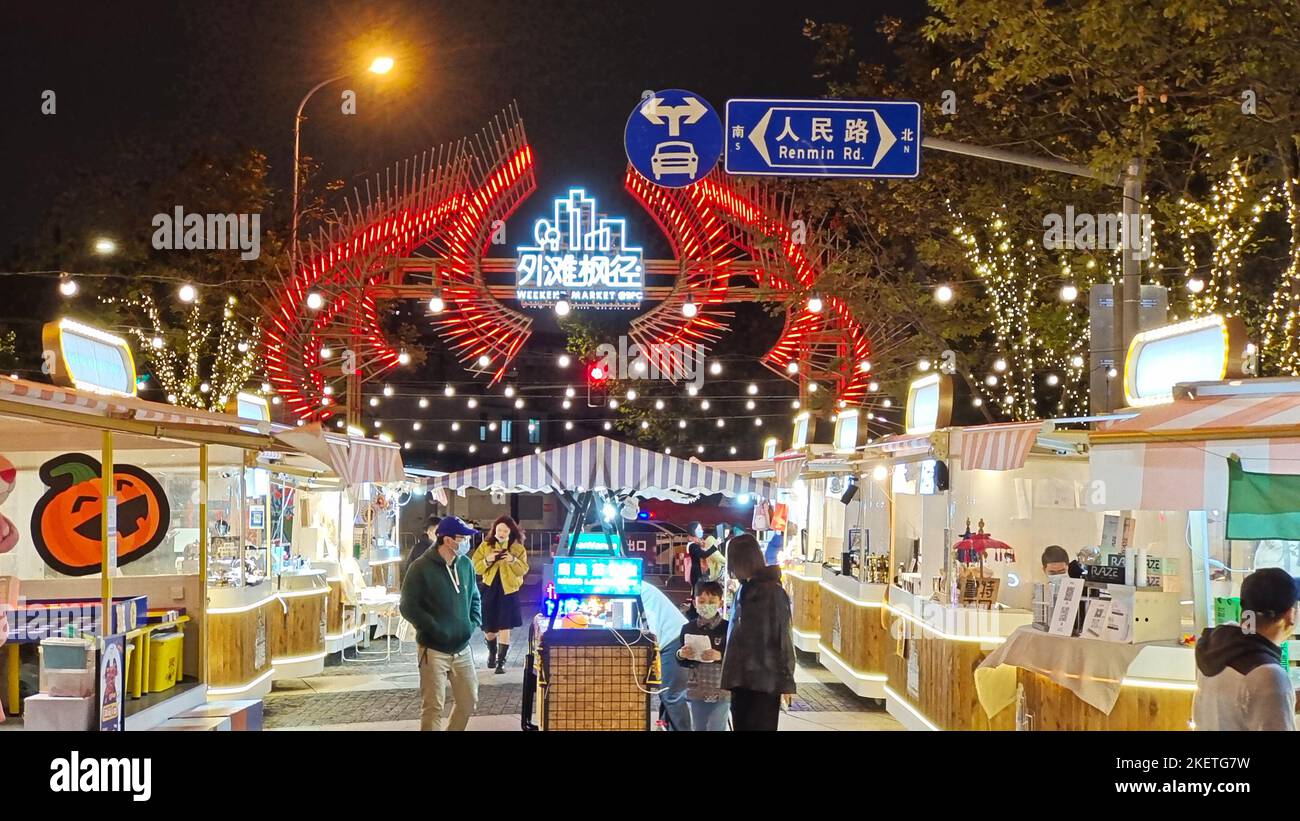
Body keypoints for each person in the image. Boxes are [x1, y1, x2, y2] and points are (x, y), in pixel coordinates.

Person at [399, 516, 481, 731]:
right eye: (462, 538)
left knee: (469, 700)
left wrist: (472, 623)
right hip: (433, 649)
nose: (466, 543)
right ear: (447, 540)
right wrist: (434, 628)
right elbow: (408, 606)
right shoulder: (420, 568)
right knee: (433, 706)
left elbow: (474, 597)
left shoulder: (466, 564)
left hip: (462, 648)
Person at [1194, 567, 1298, 731]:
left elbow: (1242, 700)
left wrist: (1289, 696)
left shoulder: (1218, 644)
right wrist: (1281, 693)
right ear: (1291, 615)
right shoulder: (1268, 674)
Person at [721, 534, 796, 731]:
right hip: (743, 679)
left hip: (764, 681)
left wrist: (787, 680)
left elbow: (783, 637)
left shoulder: (773, 592)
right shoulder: (744, 589)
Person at [471, 515, 530, 674]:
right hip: (489, 588)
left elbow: (523, 570)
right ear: (494, 530)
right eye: (499, 530)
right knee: (489, 628)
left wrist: (511, 559)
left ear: (511, 531)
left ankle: (501, 662)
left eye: (505, 530)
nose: (502, 533)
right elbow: (476, 568)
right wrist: (488, 560)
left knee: (505, 625)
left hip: (508, 590)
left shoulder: (518, 549)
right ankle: (492, 652)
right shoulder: (486, 546)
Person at [676, 581, 730, 731]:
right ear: (694, 603)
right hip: (697, 689)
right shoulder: (688, 628)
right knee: (699, 727)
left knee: (716, 727)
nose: (706, 605)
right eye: (701, 601)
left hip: (720, 689)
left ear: (720, 603)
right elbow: (681, 660)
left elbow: (739, 658)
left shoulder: (728, 628)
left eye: (712, 602)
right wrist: (682, 654)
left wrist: (720, 655)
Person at [639, 579, 691, 730]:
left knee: (671, 695)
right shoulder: (639, 588)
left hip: (674, 640)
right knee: (667, 695)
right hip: (670, 639)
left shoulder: (639, 591)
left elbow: (651, 631)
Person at [403, 515, 442, 579]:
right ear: (429, 532)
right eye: (438, 531)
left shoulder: (437, 546)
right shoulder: (421, 549)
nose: (441, 534)